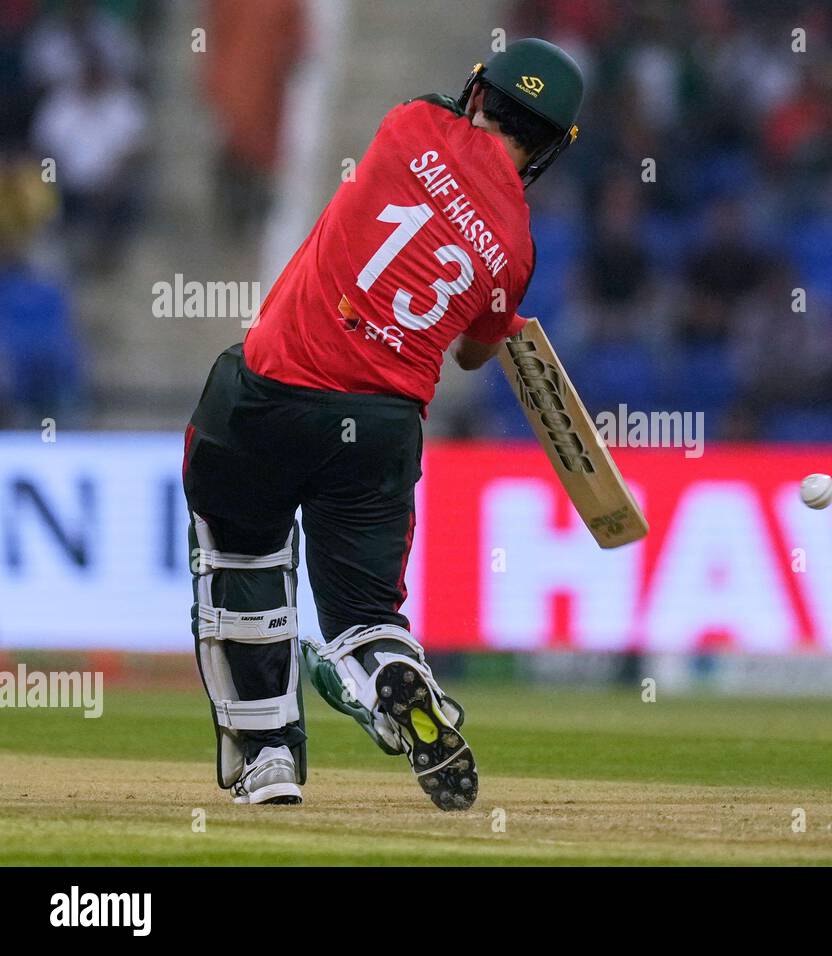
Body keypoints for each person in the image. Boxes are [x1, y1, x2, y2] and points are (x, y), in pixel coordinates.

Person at [181, 39, 583, 808]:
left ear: (476, 93)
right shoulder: (514, 249)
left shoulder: (409, 126)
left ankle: (265, 758)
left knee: (240, 562)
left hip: (270, 392)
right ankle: (394, 675)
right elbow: (473, 356)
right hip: (380, 427)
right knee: (365, 612)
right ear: (554, 148)